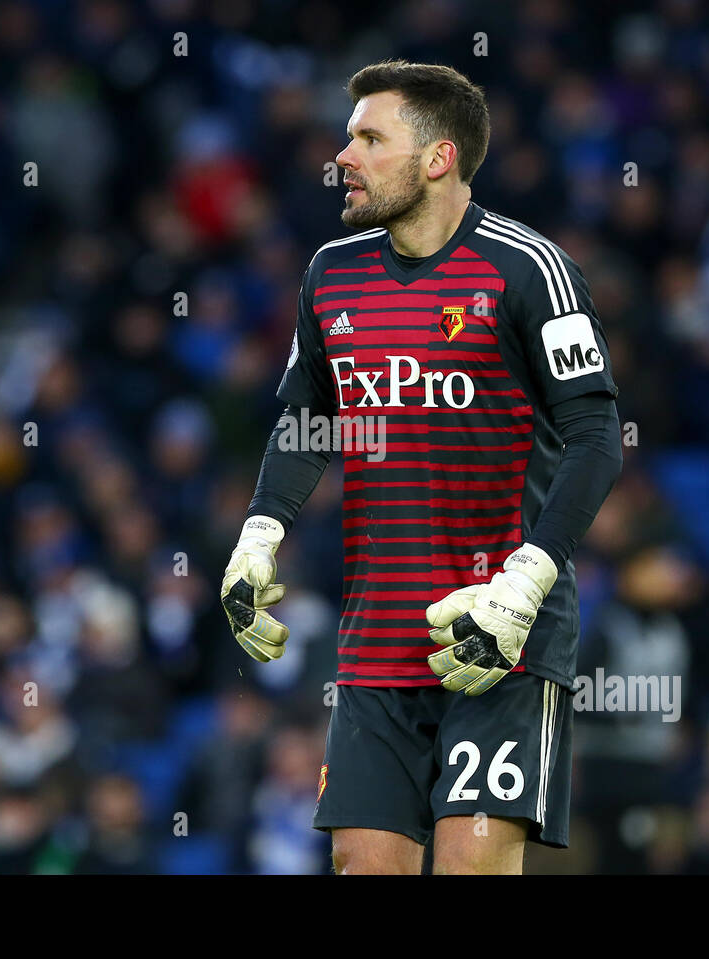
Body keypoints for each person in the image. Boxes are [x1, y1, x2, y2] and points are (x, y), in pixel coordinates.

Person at [220, 60, 623, 874]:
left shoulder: (527, 270)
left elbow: (597, 435)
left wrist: (525, 581)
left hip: (499, 632)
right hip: (376, 639)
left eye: (370, 138)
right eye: (348, 136)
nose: (344, 155)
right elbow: (308, 417)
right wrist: (260, 534)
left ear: (437, 159)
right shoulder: (331, 275)